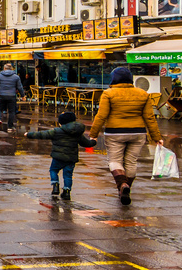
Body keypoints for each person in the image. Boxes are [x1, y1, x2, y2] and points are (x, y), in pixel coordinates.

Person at [89, 66, 163, 205]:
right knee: (131, 162)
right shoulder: (143, 93)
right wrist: (156, 136)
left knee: (115, 160)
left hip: (115, 132)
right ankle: (126, 187)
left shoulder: (108, 93)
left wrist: (93, 134)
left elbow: (101, 116)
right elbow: (149, 117)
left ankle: (122, 185)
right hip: (138, 132)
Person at [26, 111, 96, 200]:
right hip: (71, 158)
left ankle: (55, 185)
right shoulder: (77, 133)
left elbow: (42, 134)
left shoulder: (57, 131)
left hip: (58, 157)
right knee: (68, 175)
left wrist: (29, 134)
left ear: (61, 122)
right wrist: (94, 141)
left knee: (53, 170)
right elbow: (86, 143)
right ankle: (66, 192)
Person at [0, 63, 25, 132]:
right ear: (11, 69)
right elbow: (20, 87)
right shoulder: (16, 77)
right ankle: (10, 127)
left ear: (4, 68)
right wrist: (23, 96)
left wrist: (0, 89)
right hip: (11, 95)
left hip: (1, 95)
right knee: (11, 111)